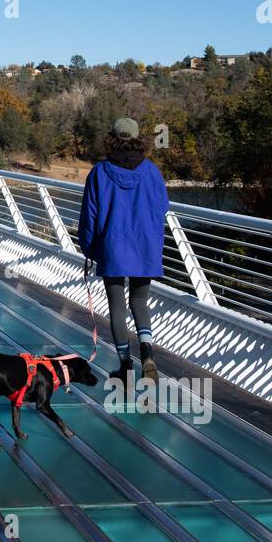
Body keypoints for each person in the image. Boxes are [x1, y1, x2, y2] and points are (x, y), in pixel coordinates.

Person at [76, 117, 168, 385]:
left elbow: (89, 216)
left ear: (112, 137)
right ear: (138, 137)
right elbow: (162, 207)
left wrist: (89, 248)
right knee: (139, 303)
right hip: (145, 247)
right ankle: (148, 354)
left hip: (112, 247)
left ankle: (125, 366)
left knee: (117, 306)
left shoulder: (99, 172)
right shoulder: (151, 171)